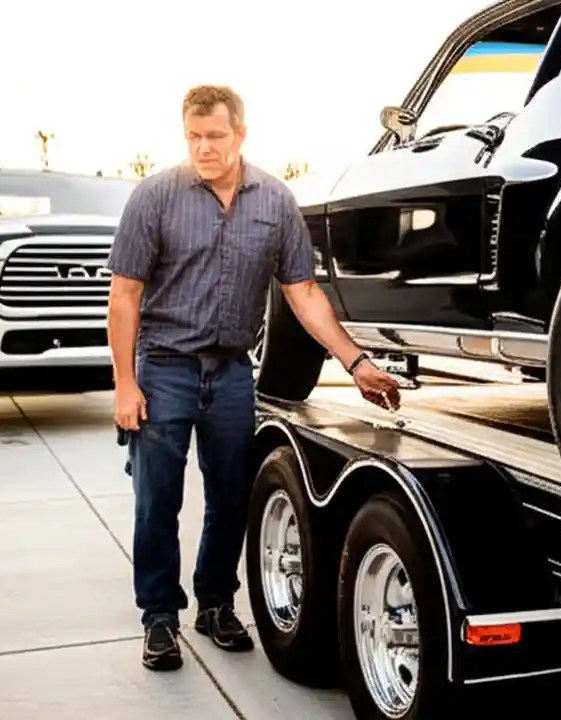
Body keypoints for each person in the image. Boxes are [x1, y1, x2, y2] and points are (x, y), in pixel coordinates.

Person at [105, 84, 403, 671]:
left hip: (233, 374)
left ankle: (216, 604)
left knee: (232, 498)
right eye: (193, 137)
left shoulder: (275, 202)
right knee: (156, 501)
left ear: (240, 134)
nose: (203, 148)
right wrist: (124, 383)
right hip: (163, 369)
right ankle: (159, 618)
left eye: (215, 136)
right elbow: (124, 297)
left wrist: (356, 361)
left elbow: (304, 293)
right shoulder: (155, 197)